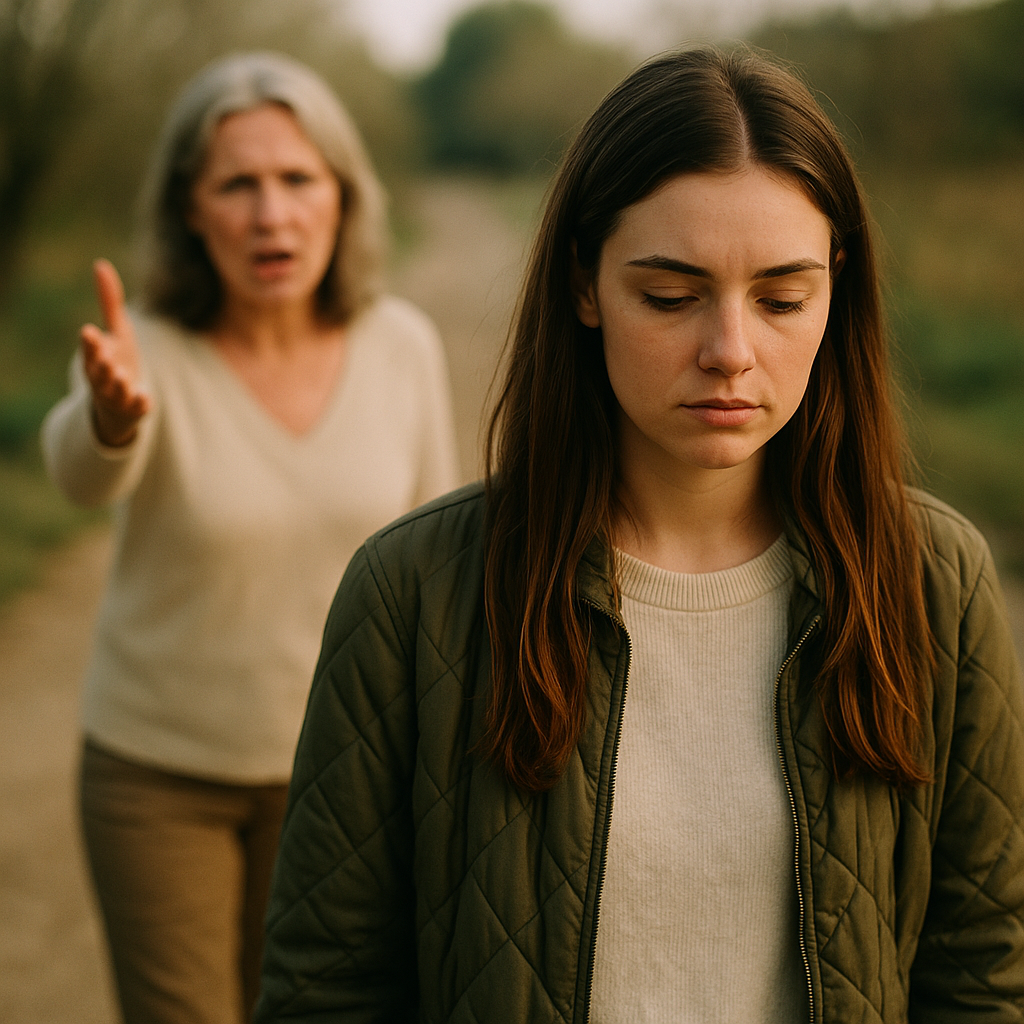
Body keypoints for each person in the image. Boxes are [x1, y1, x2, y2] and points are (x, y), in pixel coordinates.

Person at [254, 47, 1024, 1023]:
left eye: (783, 298)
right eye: (669, 295)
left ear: (837, 288)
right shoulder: (412, 592)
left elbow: (983, 975)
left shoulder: (936, 582)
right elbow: (322, 988)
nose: (730, 350)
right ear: (585, 285)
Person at [41, 51, 458, 1024]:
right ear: (192, 208)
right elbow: (78, 472)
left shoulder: (401, 346)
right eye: (237, 185)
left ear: (343, 196)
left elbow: (439, 561)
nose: (271, 215)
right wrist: (110, 418)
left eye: (296, 180)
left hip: (343, 778)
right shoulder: (147, 347)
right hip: (156, 777)